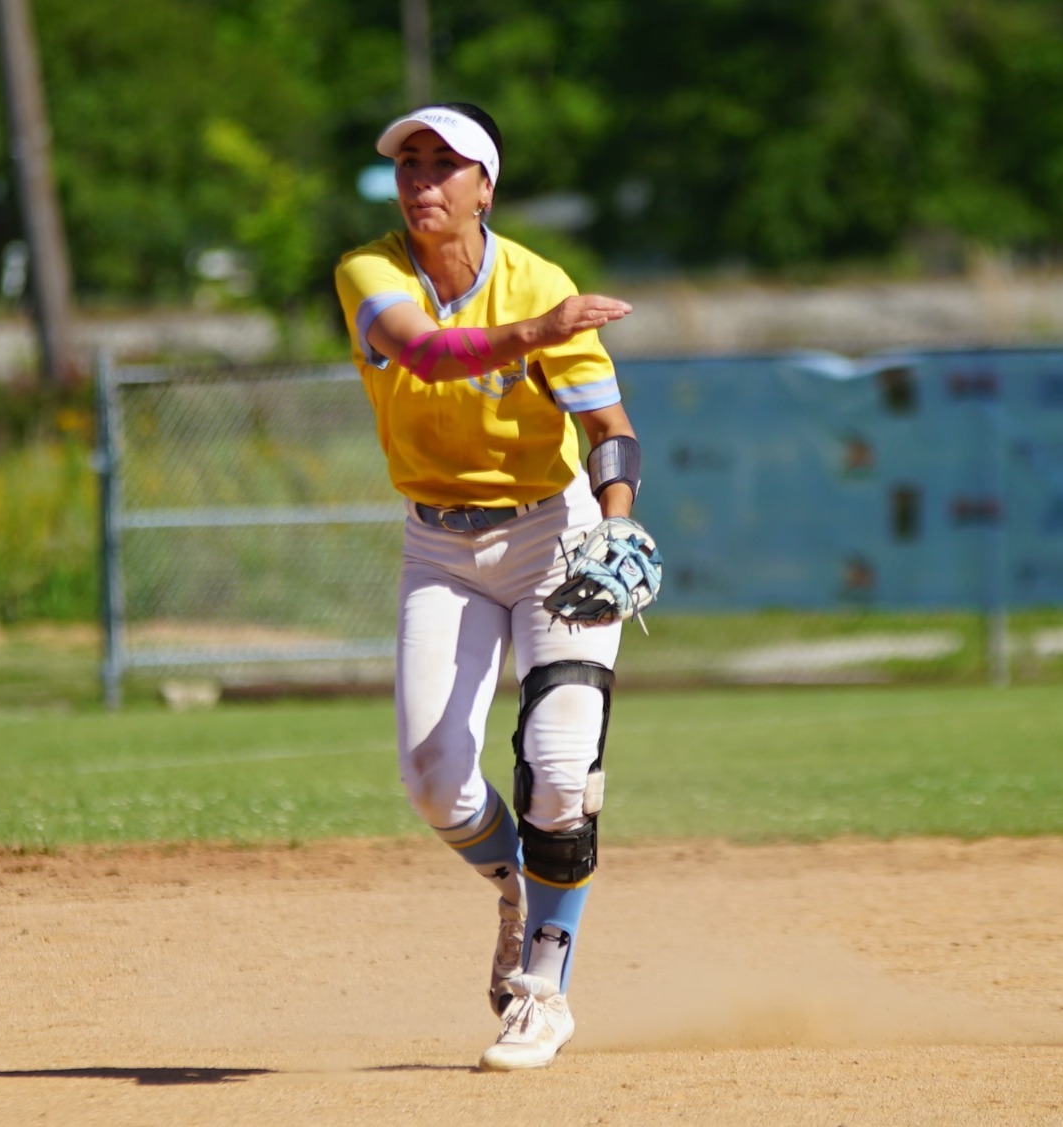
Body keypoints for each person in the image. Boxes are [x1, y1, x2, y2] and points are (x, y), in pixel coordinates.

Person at [333, 103, 660, 1072]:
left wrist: (617, 515)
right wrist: (539, 329)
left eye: (446, 164)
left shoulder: (533, 278)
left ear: (486, 185)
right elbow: (427, 352)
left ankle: (542, 990)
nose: (422, 180)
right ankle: (515, 879)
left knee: (560, 764)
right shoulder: (371, 271)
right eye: (410, 163)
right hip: (438, 545)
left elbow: (606, 422)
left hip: (549, 528)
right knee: (434, 780)